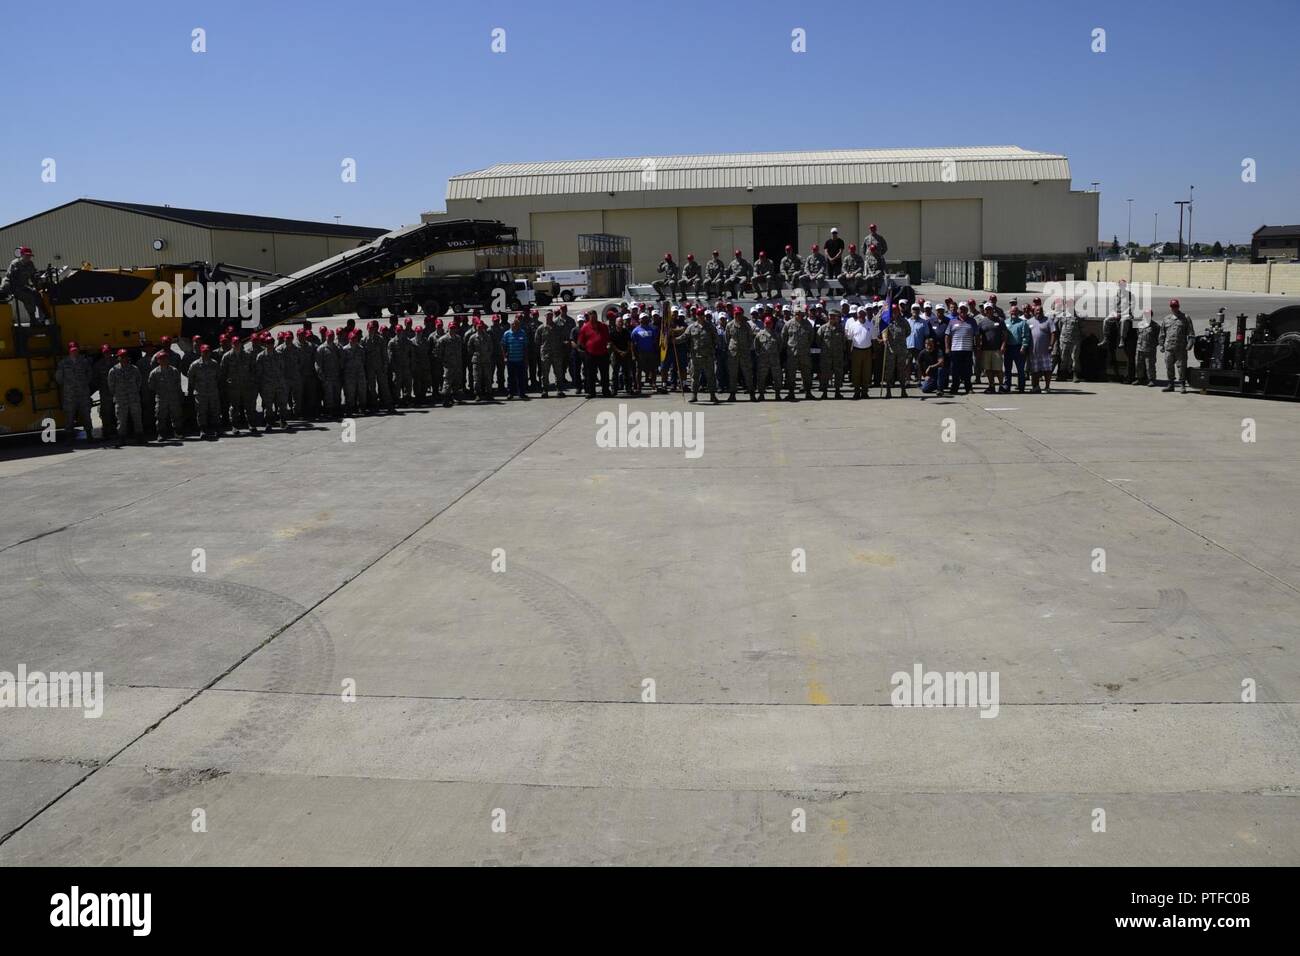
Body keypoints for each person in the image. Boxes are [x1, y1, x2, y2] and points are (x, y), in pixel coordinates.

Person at [674, 309, 718, 403]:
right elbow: (684, 337)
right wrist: (675, 340)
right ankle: (694, 395)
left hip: (708, 356)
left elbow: (716, 339)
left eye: (702, 314)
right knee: (694, 377)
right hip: (695, 356)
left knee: (710, 376)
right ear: (696, 316)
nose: (700, 316)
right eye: (698, 314)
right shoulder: (691, 327)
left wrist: (712, 350)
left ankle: (712, 395)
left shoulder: (710, 326)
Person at [54, 342, 95, 441]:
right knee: (69, 416)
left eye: (76, 350)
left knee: (86, 414)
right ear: (69, 351)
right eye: (72, 350)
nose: (74, 352)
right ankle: (69, 437)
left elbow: (90, 374)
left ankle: (89, 435)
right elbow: (59, 378)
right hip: (70, 395)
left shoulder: (84, 362)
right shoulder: (63, 363)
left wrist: (84, 383)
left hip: (83, 394)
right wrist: (68, 386)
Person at [106, 349, 144, 446]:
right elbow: (111, 385)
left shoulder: (134, 369)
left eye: (125, 356)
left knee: (137, 418)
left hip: (133, 398)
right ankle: (121, 438)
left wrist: (134, 391)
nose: (124, 359)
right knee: (121, 420)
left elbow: (139, 382)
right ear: (118, 358)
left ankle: (139, 437)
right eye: (121, 357)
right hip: (121, 399)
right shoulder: (113, 371)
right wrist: (118, 394)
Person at [187, 344, 222, 439]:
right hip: (200, 393)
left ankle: (216, 428)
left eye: (207, 352)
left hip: (213, 392)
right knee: (201, 412)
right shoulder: (195, 365)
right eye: (204, 352)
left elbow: (218, 377)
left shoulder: (214, 364)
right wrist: (197, 387)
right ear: (201, 353)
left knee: (215, 410)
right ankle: (203, 430)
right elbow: (191, 378)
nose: (206, 354)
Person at [1159, 298, 1194, 393]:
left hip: (1181, 348)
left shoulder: (1185, 318)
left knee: (1182, 367)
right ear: (1170, 307)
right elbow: (1162, 333)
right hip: (1169, 347)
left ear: (1179, 306)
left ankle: (1182, 385)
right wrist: (1161, 345)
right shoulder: (1166, 319)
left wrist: (1190, 344)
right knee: (1169, 366)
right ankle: (1171, 384)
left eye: (1176, 306)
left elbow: (1191, 333)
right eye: (1172, 306)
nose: (1174, 308)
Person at [150, 349, 185, 440]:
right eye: (161, 359)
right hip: (161, 398)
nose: (163, 360)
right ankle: (161, 434)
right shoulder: (154, 373)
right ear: (158, 361)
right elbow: (151, 385)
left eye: (165, 358)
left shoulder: (174, 371)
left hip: (173, 397)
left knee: (176, 415)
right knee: (160, 416)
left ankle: (177, 432)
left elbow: (178, 383)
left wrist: (178, 394)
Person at [2, 246, 42, 325]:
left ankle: (43, 317)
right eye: (26, 255)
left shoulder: (30, 264)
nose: (28, 257)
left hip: (22, 286)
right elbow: (10, 277)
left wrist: (36, 285)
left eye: (29, 256)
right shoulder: (15, 263)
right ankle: (33, 319)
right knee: (28, 297)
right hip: (11, 286)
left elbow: (33, 276)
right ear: (21, 255)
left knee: (37, 295)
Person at [782, 309, 815, 401]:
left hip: (804, 354)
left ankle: (808, 393)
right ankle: (791, 393)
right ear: (794, 314)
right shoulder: (788, 324)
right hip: (792, 354)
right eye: (797, 314)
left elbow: (811, 337)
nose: (798, 315)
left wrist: (806, 346)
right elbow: (783, 337)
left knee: (807, 374)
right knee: (791, 374)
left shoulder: (807, 324)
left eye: (800, 314)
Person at [577, 310, 612, 397]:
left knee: (604, 374)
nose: (593, 318)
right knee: (590, 374)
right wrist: (587, 347)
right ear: (588, 317)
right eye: (591, 317)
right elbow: (581, 342)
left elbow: (608, 339)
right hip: (590, 355)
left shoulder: (603, 326)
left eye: (595, 316)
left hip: (603, 354)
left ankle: (606, 391)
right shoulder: (585, 328)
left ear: (597, 316)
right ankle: (591, 392)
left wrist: (608, 346)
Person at [880, 304, 911, 399]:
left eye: (896, 311)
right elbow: (883, 332)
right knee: (889, 371)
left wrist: (900, 340)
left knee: (901, 370)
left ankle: (903, 390)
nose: (894, 313)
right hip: (890, 350)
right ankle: (888, 391)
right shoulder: (886, 321)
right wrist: (885, 339)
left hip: (901, 350)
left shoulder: (904, 321)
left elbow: (908, 332)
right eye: (893, 311)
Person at [945, 304, 977, 396]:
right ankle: (955, 387)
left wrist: (977, 347)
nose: (962, 311)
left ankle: (968, 387)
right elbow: (947, 335)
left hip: (967, 350)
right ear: (958, 310)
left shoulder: (972, 321)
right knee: (955, 370)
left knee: (967, 370)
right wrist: (947, 348)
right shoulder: (952, 321)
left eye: (964, 309)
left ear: (967, 310)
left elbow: (977, 335)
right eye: (961, 309)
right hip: (955, 349)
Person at [726, 305, 756, 401]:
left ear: (742, 315)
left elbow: (751, 339)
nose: (738, 316)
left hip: (744, 353)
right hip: (733, 354)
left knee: (748, 374)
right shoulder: (729, 325)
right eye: (736, 314)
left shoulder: (747, 325)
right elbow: (727, 339)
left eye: (739, 314)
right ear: (733, 314)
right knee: (733, 375)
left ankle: (751, 394)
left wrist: (746, 347)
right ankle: (732, 394)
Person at [975, 305, 1005, 394]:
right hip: (986, 349)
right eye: (987, 309)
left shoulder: (1000, 320)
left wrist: (1003, 345)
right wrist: (978, 347)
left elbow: (1005, 334)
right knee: (988, 369)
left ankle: (1001, 386)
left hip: (997, 349)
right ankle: (991, 386)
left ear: (993, 310)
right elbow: (978, 336)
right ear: (984, 311)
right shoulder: (982, 322)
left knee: (998, 369)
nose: (988, 311)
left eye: (990, 309)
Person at [816, 310, 846, 398]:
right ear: (828, 317)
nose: (832, 317)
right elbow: (818, 341)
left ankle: (837, 392)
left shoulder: (840, 328)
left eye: (834, 316)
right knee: (825, 374)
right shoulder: (823, 328)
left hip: (837, 355)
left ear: (837, 317)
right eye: (830, 316)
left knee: (838, 373)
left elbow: (844, 341)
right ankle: (824, 392)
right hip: (826, 356)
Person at [1027, 306, 1056, 393]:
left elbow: (1053, 333)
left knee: (1047, 370)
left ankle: (1047, 387)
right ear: (1033, 311)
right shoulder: (1029, 321)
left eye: (1040, 310)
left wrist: (1051, 345)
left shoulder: (1048, 320)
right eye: (1036, 310)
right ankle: (1036, 387)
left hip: (1045, 351)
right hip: (1033, 351)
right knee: (1034, 370)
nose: (1038, 312)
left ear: (1043, 311)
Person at [501, 313, 530, 400]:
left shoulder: (522, 333)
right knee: (511, 378)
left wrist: (526, 358)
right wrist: (504, 357)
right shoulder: (506, 334)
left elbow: (525, 346)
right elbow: (503, 346)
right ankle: (510, 393)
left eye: (517, 324)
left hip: (520, 359)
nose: (515, 325)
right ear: (511, 325)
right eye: (513, 324)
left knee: (521, 377)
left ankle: (521, 393)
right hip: (511, 360)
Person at [1002, 306, 1030, 393]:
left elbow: (1025, 336)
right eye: (1012, 311)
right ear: (1010, 312)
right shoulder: (1005, 322)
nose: (1013, 313)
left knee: (1020, 369)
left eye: (1015, 311)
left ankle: (1021, 387)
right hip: (1008, 348)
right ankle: (1007, 386)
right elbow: (1003, 335)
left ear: (1018, 313)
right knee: (1007, 369)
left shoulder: (1023, 323)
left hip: (1018, 348)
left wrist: (1023, 346)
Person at [631, 312, 658, 394]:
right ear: (640, 320)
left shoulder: (652, 329)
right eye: (643, 318)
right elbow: (632, 344)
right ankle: (639, 386)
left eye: (646, 318)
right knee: (639, 370)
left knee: (653, 369)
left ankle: (653, 384)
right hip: (641, 353)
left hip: (651, 352)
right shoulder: (635, 331)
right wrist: (634, 354)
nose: (645, 319)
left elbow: (655, 341)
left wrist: (656, 352)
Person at [1056, 301, 1083, 383]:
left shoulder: (1078, 315)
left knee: (1074, 357)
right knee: (1063, 357)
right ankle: (1062, 374)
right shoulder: (1062, 315)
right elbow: (1059, 327)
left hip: (1075, 339)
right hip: (1064, 339)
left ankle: (1075, 375)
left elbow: (1081, 327)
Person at [1133, 309, 1159, 386]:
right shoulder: (1139, 324)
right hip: (1140, 348)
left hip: (1150, 349)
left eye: (1148, 314)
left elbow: (1158, 337)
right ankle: (1139, 379)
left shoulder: (1155, 326)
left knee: (1150, 365)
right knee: (1138, 364)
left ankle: (1151, 380)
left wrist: (1153, 345)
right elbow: (1138, 334)